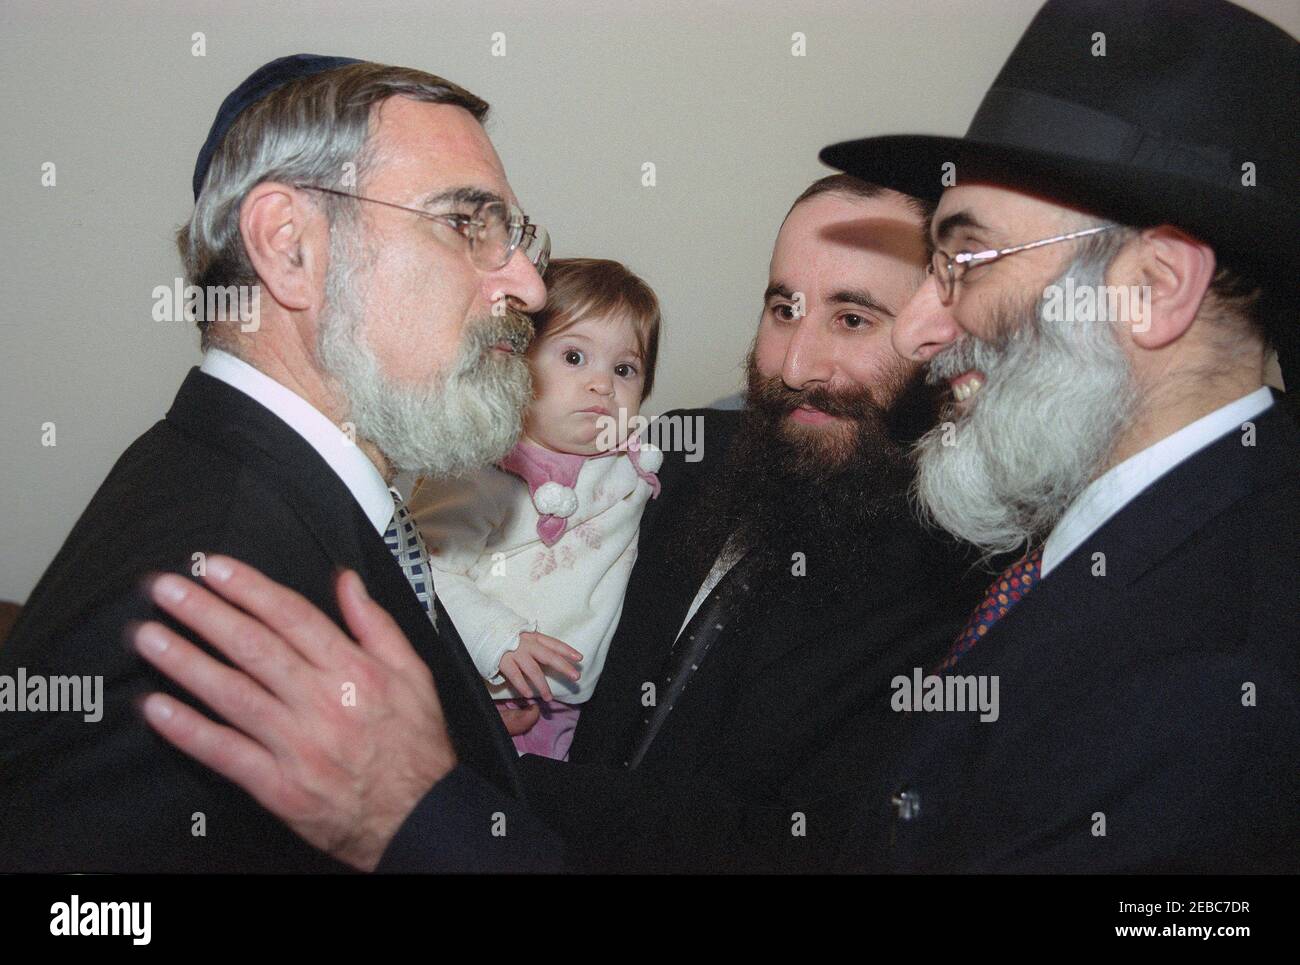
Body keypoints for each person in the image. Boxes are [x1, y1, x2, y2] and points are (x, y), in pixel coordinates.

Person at [124, 173, 996, 873]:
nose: (798, 363)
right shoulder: (690, 454)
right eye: (783, 309)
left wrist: (451, 786)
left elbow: (782, 844)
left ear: (941, 339)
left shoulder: (958, 590)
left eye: (852, 317)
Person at [0, 54, 561, 873]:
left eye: (514, 236)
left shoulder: (271, 488)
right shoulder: (215, 602)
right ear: (291, 248)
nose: (530, 285)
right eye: (466, 222)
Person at [782, 0, 1299, 872]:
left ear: (1154, 288)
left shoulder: (1214, 681)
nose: (914, 332)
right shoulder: (1118, 533)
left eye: (966, 262)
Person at [409, 258, 665, 760]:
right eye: (574, 357)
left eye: (624, 369)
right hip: (482, 696)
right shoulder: (481, 470)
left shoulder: (633, 467)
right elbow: (421, 572)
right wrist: (496, 638)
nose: (602, 385)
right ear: (515, 365)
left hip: (575, 711)